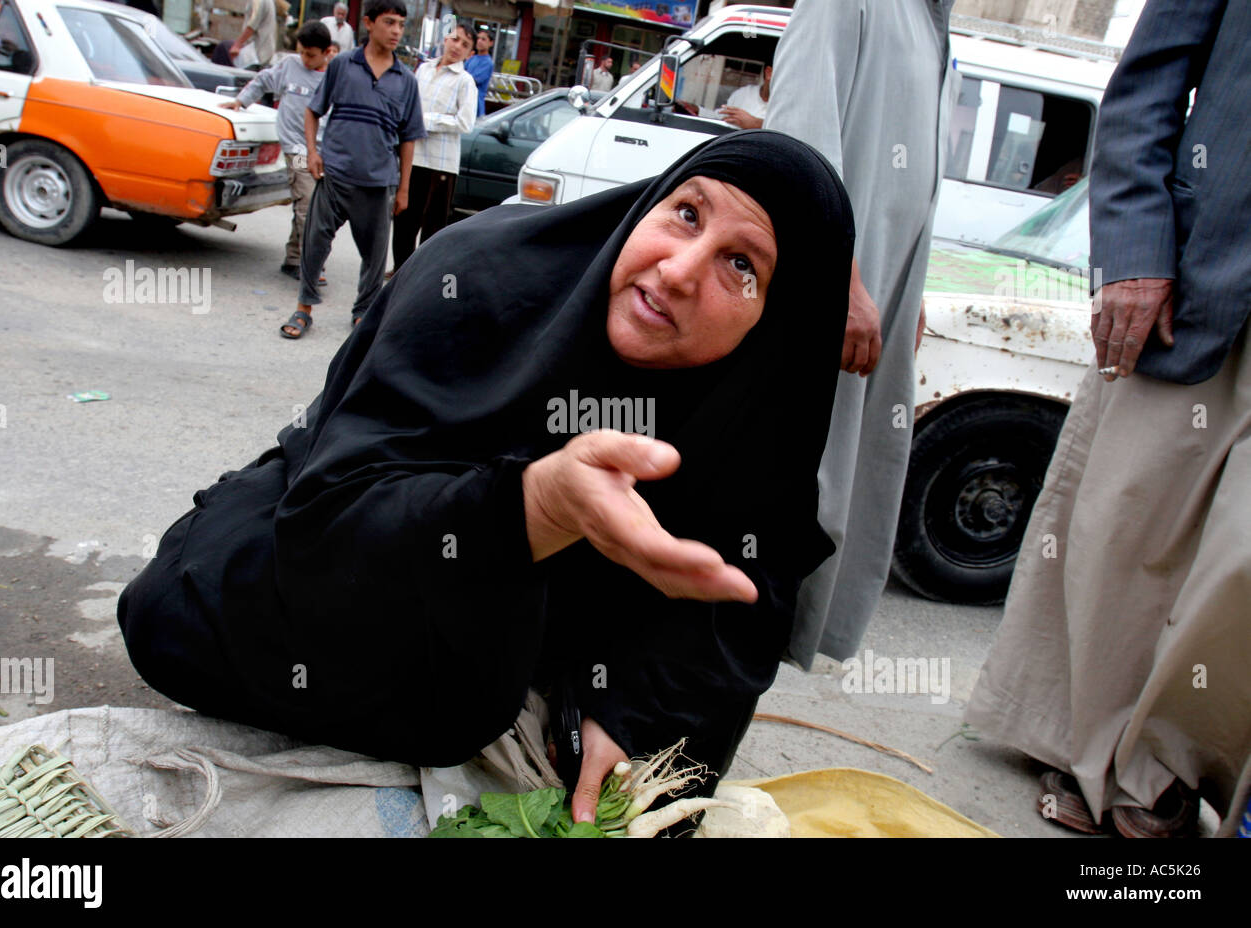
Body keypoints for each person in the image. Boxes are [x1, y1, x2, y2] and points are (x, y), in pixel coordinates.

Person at [117, 130, 854, 825]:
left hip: (554, 630)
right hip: (346, 540)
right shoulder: (473, 279)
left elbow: (749, 592)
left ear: (778, 324)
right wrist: (533, 508)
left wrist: (636, 717)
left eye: (742, 266)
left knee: (653, 776)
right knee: (183, 617)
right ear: (650, 201)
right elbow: (331, 528)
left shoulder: (753, 408)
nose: (681, 270)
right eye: (686, 213)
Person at [965, 0, 1251, 839]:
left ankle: (1180, 766)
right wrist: (1134, 251)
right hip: (1201, 277)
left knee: (1239, 568)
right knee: (1124, 532)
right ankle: (1111, 768)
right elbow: (1149, 81)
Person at [764, 0, 952, 666]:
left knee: (831, 503)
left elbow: (908, 186)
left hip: (869, 310)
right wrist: (838, 280)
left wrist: (906, 289)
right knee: (782, 503)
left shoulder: (933, 29)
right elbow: (797, 142)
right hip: (818, 306)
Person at [280, 0, 425, 338]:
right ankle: (303, 308)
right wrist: (313, 153)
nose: (396, 32)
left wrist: (403, 188)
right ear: (370, 24)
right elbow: (313, 110)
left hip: (378, 183)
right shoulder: (342, 65)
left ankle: (363, 314)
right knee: (314, 243)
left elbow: (408, 139)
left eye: (401, 25)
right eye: (389, 23)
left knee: (374, 259)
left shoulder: (405, 80)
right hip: (335, 175)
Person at [221, 21, 334, 282]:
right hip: (297, 149)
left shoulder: (333, 77)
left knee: (316, 208)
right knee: (306, 205)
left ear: (327, 52)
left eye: (312, 55)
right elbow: (263, 80)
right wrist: (241, 101)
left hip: (323, 151)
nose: (305, 59)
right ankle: (311, 263)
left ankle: (294, 258)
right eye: (303, 52)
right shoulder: (289, 66)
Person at [390, 25, 477, 272]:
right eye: (455, 39)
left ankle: (423, 275)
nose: (457, 47)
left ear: (470, 53)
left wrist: (425, 121)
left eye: (465, 45)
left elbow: (465, 122)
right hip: (412, 157)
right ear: (445, 39)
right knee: (404, 218)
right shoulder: (424, 69)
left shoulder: (465, 81)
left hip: (440, 163)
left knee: (433, 225)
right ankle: (401, 269)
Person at [230, 0, 278, 68]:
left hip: (256, 53)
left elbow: (252, 25)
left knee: (223, 48)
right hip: (264, 51)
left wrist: (237, 45)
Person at [464, 27, 494, 117]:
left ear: (491, 43)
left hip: (475, 104)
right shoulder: (472, 58)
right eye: (478, 38)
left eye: (483, 39)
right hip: (464, 100)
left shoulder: (488, 63)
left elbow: (472, 80)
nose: (479, 41)